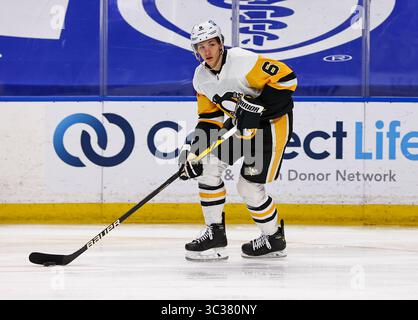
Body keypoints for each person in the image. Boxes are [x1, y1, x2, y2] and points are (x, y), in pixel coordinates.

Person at [178, 20, 297, 261]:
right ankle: (215, 234)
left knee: (248, 186)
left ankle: (273, 239)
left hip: (271, 127)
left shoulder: (244, 61)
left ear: (221, 44)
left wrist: (259, 109)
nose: (207, 51)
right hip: (237, 128)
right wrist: (193, 153)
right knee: (208, 167)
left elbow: (287, 80)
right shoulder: (201, 78)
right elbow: (210, 119)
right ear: (195, 51)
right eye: (201, 47)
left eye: (211, 44)